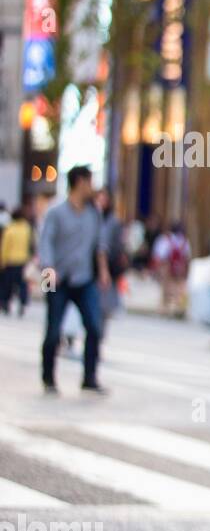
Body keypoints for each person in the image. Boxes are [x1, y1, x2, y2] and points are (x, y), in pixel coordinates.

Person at [38, 166, 111, 395]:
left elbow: (99, 245)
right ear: (79, 182)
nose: (92, 187)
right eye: (90, 182)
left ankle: (89, 377)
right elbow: (45, 242)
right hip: (56, 278)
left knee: (94, 327)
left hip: (84, 278)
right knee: (52, 330)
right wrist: (48, 270)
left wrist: (103, 271)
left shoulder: (94, 213)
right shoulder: (56, 211)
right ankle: (48, 377)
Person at [95, 190, 128, 335]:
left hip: (107, 268)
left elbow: (116, 245)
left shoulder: (114, 222)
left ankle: (97, 336)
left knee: (103, 306)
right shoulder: (90, 217)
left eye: (105, 200)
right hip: (86, 268)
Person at [0, 202, 34, 316]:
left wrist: (2, 261)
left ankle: (5, 303)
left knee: (7, 284)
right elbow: (31, 244)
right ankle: (23, 303)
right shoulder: (27, 228)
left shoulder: (10, 229)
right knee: (22, 285)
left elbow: (4, 246)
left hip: (10, 261)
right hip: (23, 261)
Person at [153, 221, 190, 316]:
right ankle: (175, 309)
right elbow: (186, 256)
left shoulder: (165, 239)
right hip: (179, 266)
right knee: (177, 289)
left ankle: (164, 308)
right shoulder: (184, 241)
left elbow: (159, 255)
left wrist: (157, 268)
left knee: (165, 288)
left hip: (166, 265)